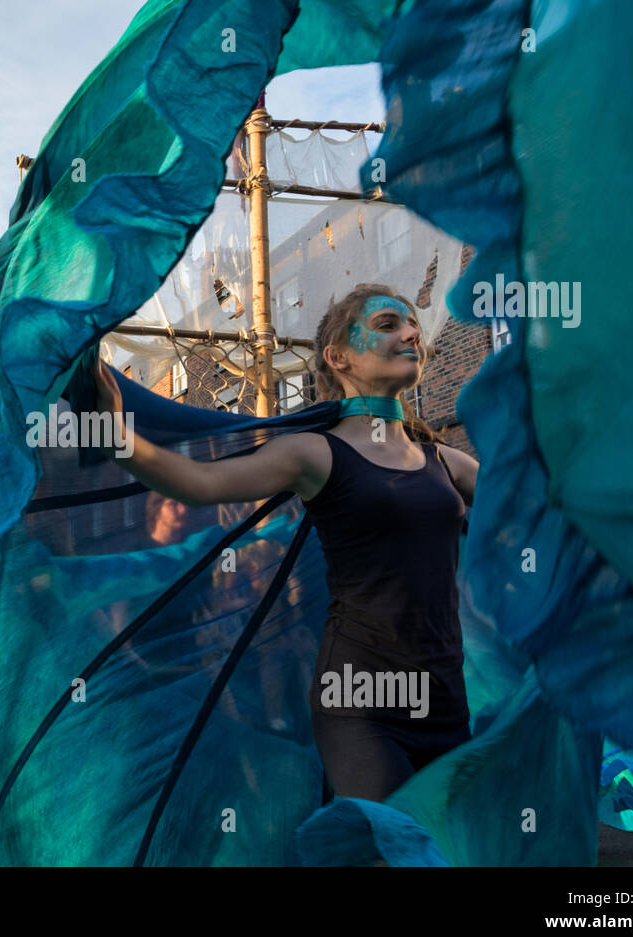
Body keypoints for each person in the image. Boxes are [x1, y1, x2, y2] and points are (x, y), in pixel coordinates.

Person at [93, 285, 480, 803]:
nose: (412, 333)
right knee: (389, 850)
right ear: (338, 356)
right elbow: (196, 483)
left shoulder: (446, 465)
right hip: (359, 699)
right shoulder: (314, 455)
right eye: (389, 324)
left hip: (445, 698)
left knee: (452, 851)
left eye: (413, 326)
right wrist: (115, 430)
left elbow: (538, 516)